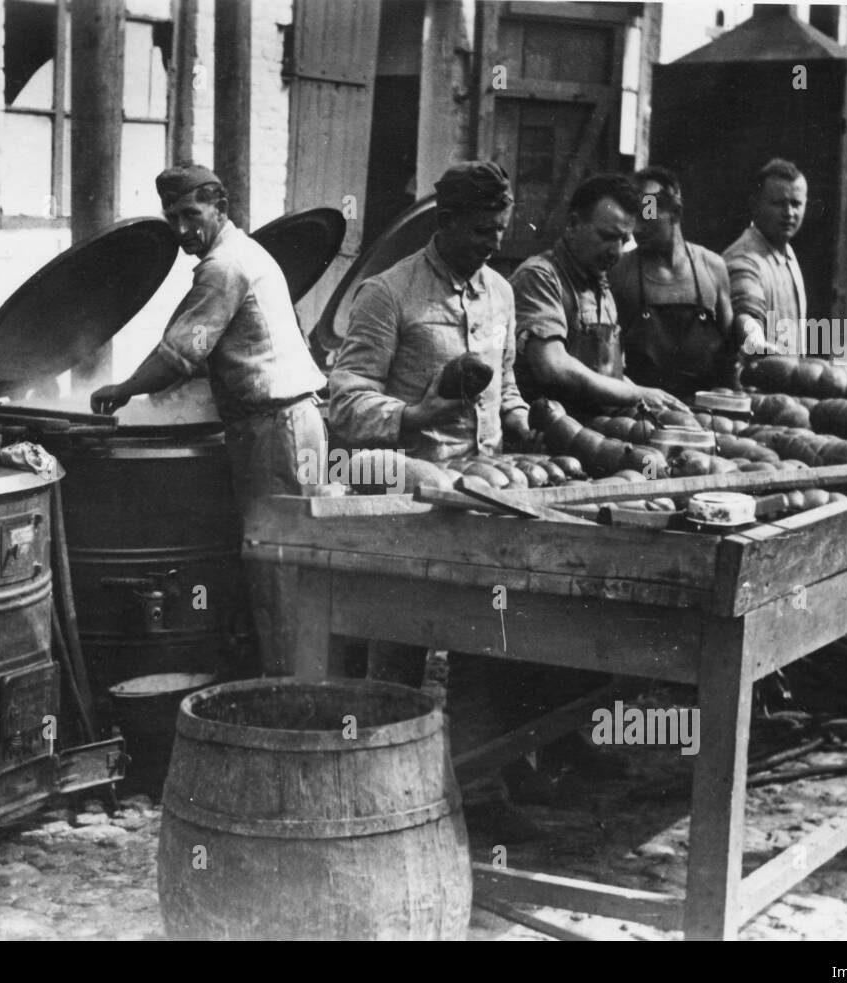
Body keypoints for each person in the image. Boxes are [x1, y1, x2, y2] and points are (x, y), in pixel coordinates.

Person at [90, 164, 326, 675]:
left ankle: (289, 690)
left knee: (277, 568)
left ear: (220, 207)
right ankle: (286, 680)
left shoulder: (223, 266)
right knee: (281, 564)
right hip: (282, 423)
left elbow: (180, 355)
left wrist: (124, 390)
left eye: (190, 214)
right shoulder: (244, 254)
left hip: (275, 429)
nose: (180, 230)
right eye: (171, 217)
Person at [329, 160, 536, 462]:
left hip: (492, 477)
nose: (496, 244)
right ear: (447, 220)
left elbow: (504, 379)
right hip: (416, 485)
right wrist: (413, 416)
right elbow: (347, 406)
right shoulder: (387, 294)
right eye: (483, 230)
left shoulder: (501, 292)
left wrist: (518, 417)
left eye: (501, 229)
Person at [510, 173, 687, 417]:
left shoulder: (601, 287)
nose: (616, 251)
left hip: (596, 435)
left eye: (624, 239)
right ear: (573, 225)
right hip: (547, 438)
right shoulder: (540, 277)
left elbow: (610, 377)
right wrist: (637, 394)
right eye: (607, 236)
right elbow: (552, 366)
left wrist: (655, 402)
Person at [611, 166, 737, 396]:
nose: (637, 227)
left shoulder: (712, 268)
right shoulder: (619, 272)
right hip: (643, 415)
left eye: (647, 214)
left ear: (676, 212)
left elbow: (731, 359)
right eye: (633, 216)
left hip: (707, 417)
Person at [723, 158, 809, 358]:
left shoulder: (786, 251)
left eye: (796, 204)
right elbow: (746, 309)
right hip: (755, 384)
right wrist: (755, 342)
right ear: (755, 205)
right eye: (778, 203)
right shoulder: (744, 258)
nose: (789, 213)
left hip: (784, 383)